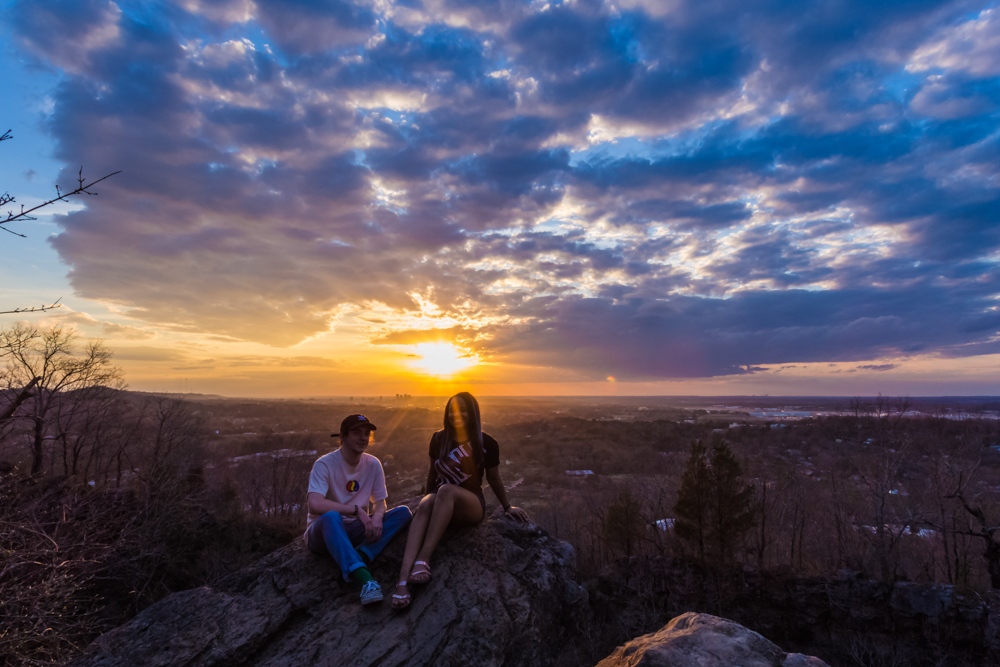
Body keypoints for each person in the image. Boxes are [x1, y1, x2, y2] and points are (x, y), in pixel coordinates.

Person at [392, 392, 529, 610]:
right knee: (427, 503)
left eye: (463, 409)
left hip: (471, 504)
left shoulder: (487, 443)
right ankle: (401, 583)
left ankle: (424, 560)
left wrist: (507, 506)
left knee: (445, 490)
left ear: (472, 413)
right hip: (442, 504)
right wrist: (425, 498)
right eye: (452, 409)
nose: (457, 414)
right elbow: (432, 473)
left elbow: (493, 478)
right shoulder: (438, 439)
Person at [305, 414, 412, 605]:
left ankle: (357, 557)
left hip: (355, 528)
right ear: (343, 436)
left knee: (403, 513)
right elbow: (315, 503)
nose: (363, 438)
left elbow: (380, 503)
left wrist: (378, 517)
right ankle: (365, 580)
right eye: (356, 433)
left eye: (366, 433)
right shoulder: (325, 464)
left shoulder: (373, 464)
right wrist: (357, 510)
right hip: (324, 532)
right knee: (331, 516)